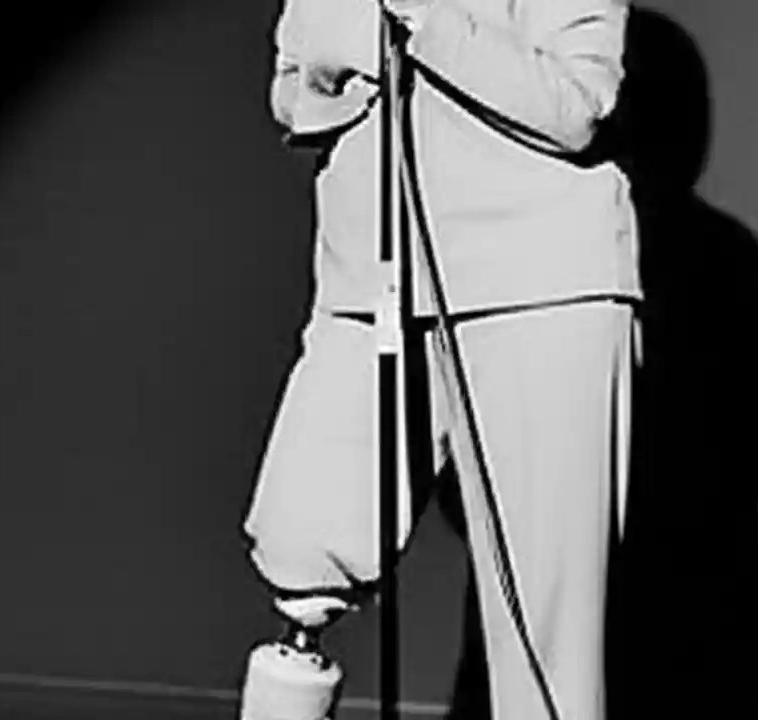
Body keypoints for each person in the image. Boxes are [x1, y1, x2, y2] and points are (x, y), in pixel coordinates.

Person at [238, 1, 642, 719]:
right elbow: (294, 97)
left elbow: (576, 107)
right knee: (301, 541)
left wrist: (427, 18)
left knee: (542, 622)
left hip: (539, 282)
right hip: (374, 278)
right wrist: (343, 77)